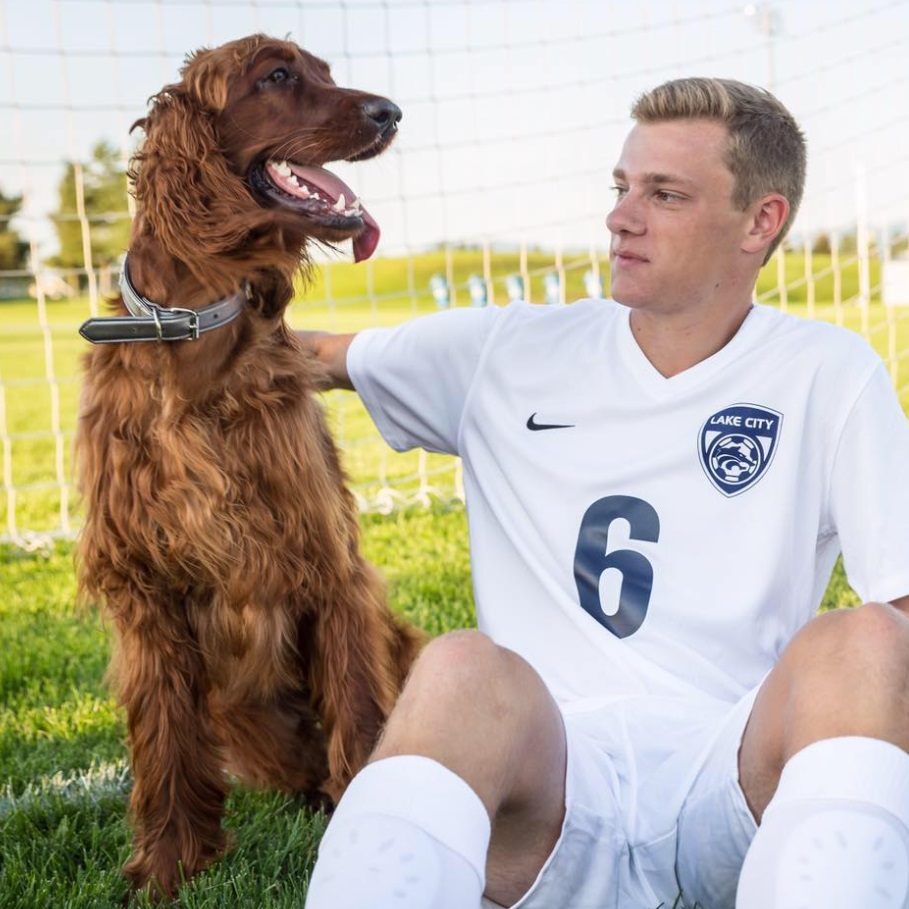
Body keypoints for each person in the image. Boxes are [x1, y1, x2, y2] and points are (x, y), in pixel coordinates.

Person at [299, 77, 909, 909]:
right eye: (621, 188)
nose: (621, 216)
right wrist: (168, 302)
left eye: (664, 194)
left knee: (867, 636)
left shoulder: (826, 372)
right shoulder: (506, 351)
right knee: (458, 666)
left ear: (760, 221)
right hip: (548, 780)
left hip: (729, 780)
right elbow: (301, 356)